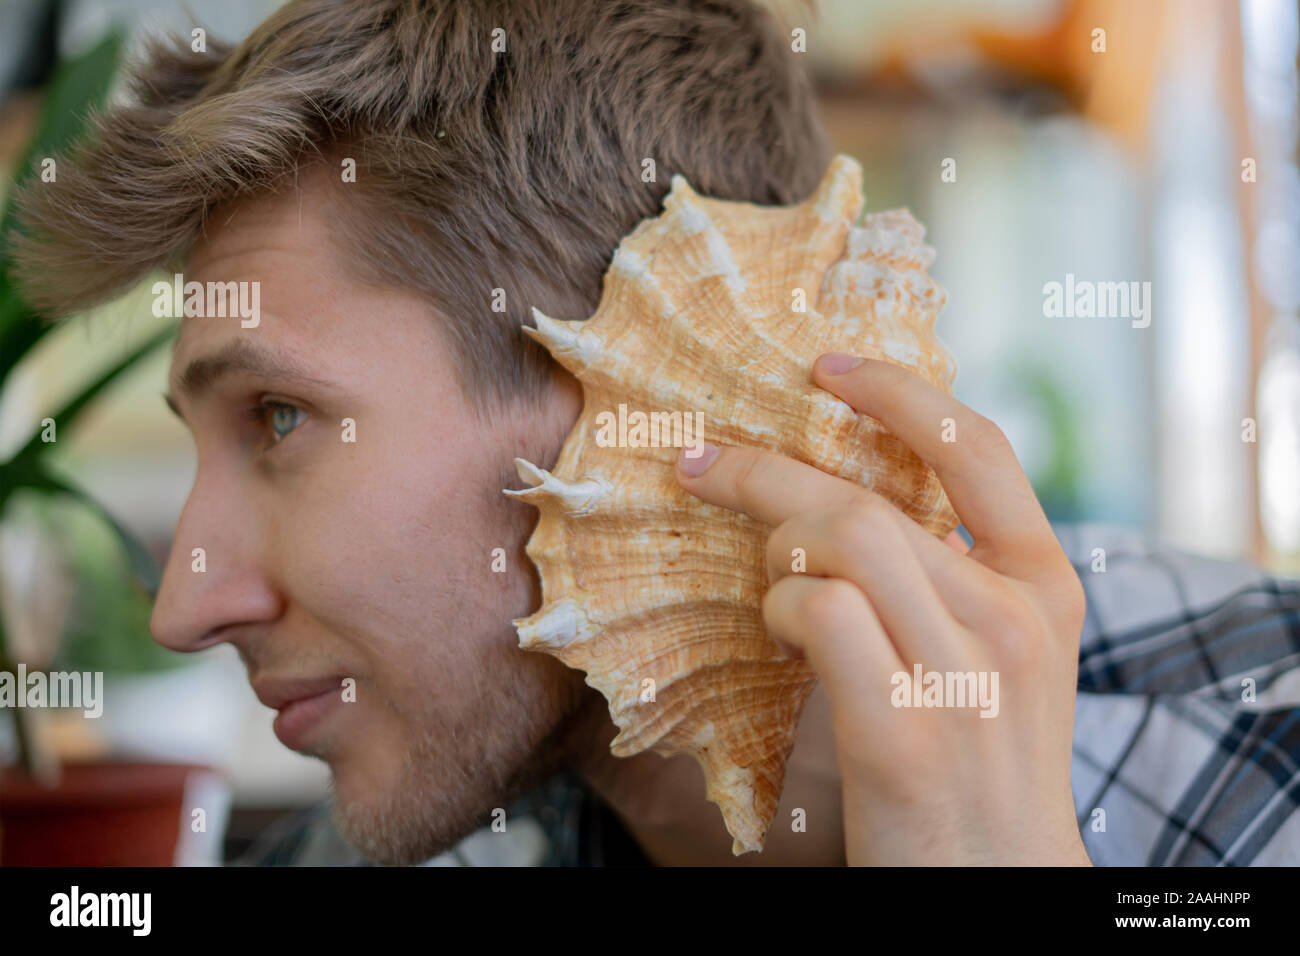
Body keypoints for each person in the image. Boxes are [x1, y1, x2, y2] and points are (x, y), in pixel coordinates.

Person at [12, 0, 1299, 867]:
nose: (184, 603)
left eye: (280, 418)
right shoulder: (395, 822)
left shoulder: (1266, 760)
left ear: (662, 396)